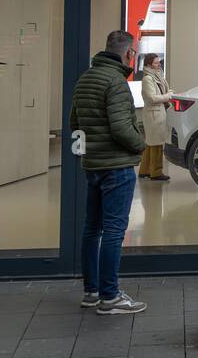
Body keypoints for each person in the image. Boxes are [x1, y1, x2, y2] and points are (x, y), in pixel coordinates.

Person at [69, 30, 148, 315]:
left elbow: (74, 123)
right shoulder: (115, 82)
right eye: (134, 52)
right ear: (129, 53)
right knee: (114, 231)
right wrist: (142, 145)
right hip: (117, 167)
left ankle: (91, 292)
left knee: (93, 229)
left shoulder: (86, 78)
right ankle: (110, 297)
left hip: (93, 166)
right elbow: (121, 128)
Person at [138, 53, 173, 182]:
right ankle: (156, 172)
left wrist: (168, 93)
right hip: (153, 114)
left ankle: (145, 170)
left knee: (150, 143)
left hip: (157, 113)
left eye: (159, 62)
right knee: (156, 144)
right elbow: (152, 98)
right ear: (148, 64)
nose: (158, 64)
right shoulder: (148, 79)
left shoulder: (157, 76)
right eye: (156, 63)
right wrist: (168, 96)